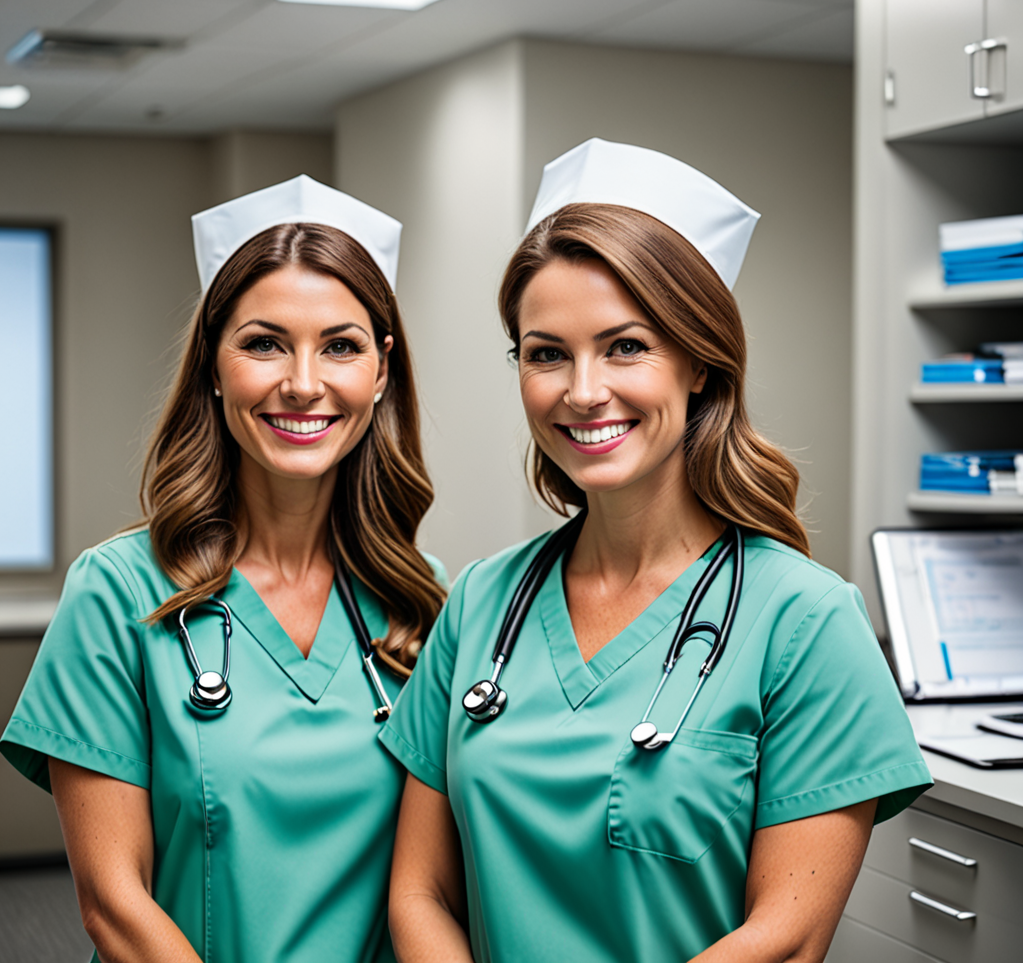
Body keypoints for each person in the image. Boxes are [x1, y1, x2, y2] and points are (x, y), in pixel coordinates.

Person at [381, 139, 932, 963]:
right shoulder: (482, 602)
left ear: (700, 362)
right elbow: (419, 892)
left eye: (626, 346)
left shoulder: (806, 622)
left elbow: (786, 938)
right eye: (546, 354)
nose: (583, 391)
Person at [0, 175, 446, 963]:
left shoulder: (427, 598)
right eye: (264, 343)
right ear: (212, 361)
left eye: (340, 346)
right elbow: (113, 904)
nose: (302, 383)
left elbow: (441, 885)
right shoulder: (118, 591)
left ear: (381, 371)